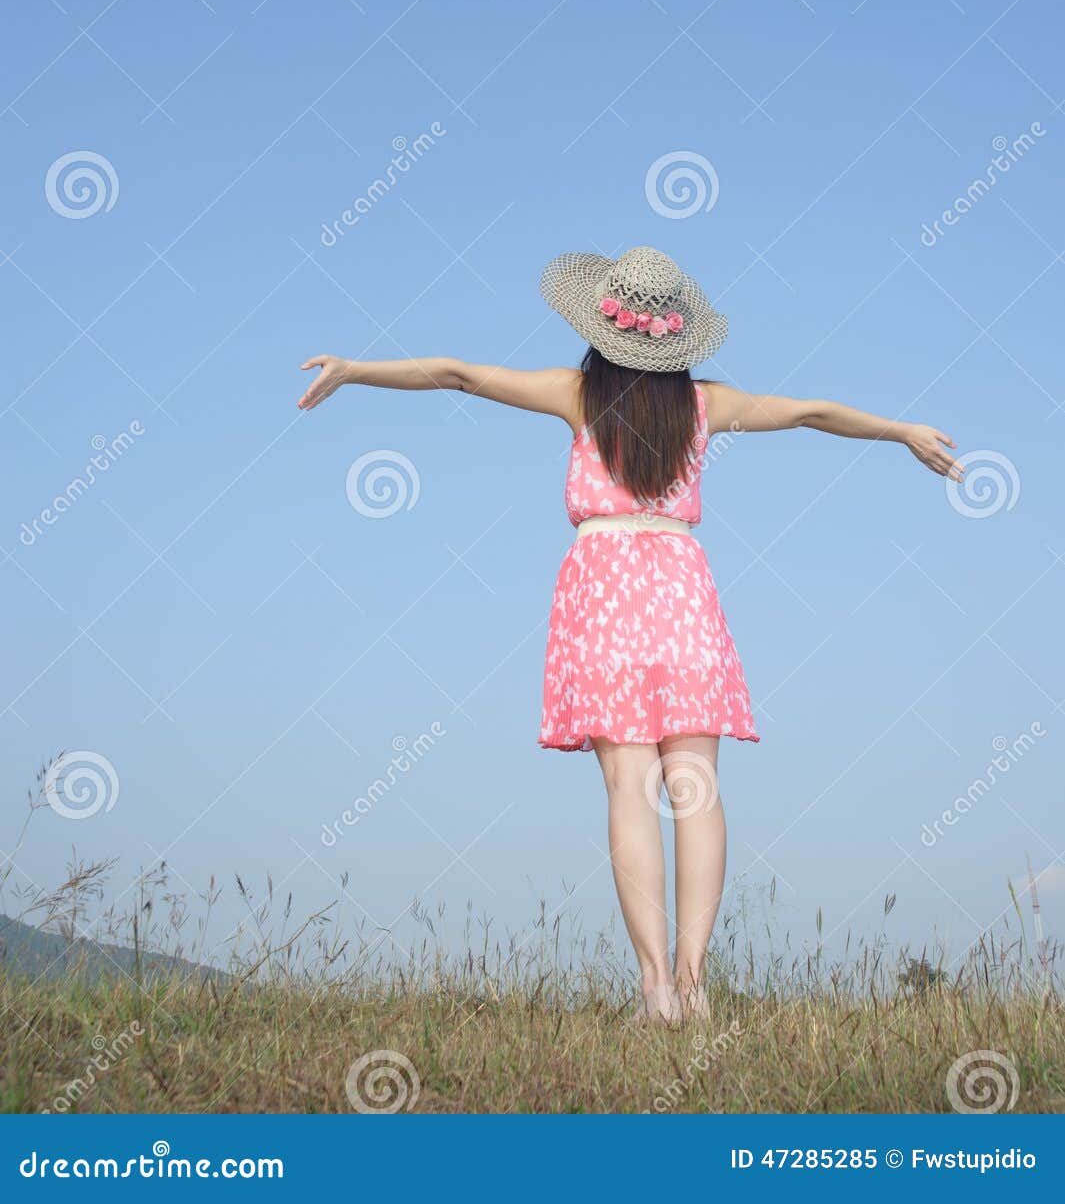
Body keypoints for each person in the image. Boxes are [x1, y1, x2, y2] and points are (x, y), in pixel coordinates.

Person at [298, 245, 961, 1022]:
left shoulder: (577, 394)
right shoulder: (706, 406)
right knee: (696, 788)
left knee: (628, 790)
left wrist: (353, 367)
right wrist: (901, 430)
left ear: (600, 328)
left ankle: (653, 987)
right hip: (682, 589)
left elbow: (458, 373)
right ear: (679, 339)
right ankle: (693, 980)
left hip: (603, 586)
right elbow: (811, 412)